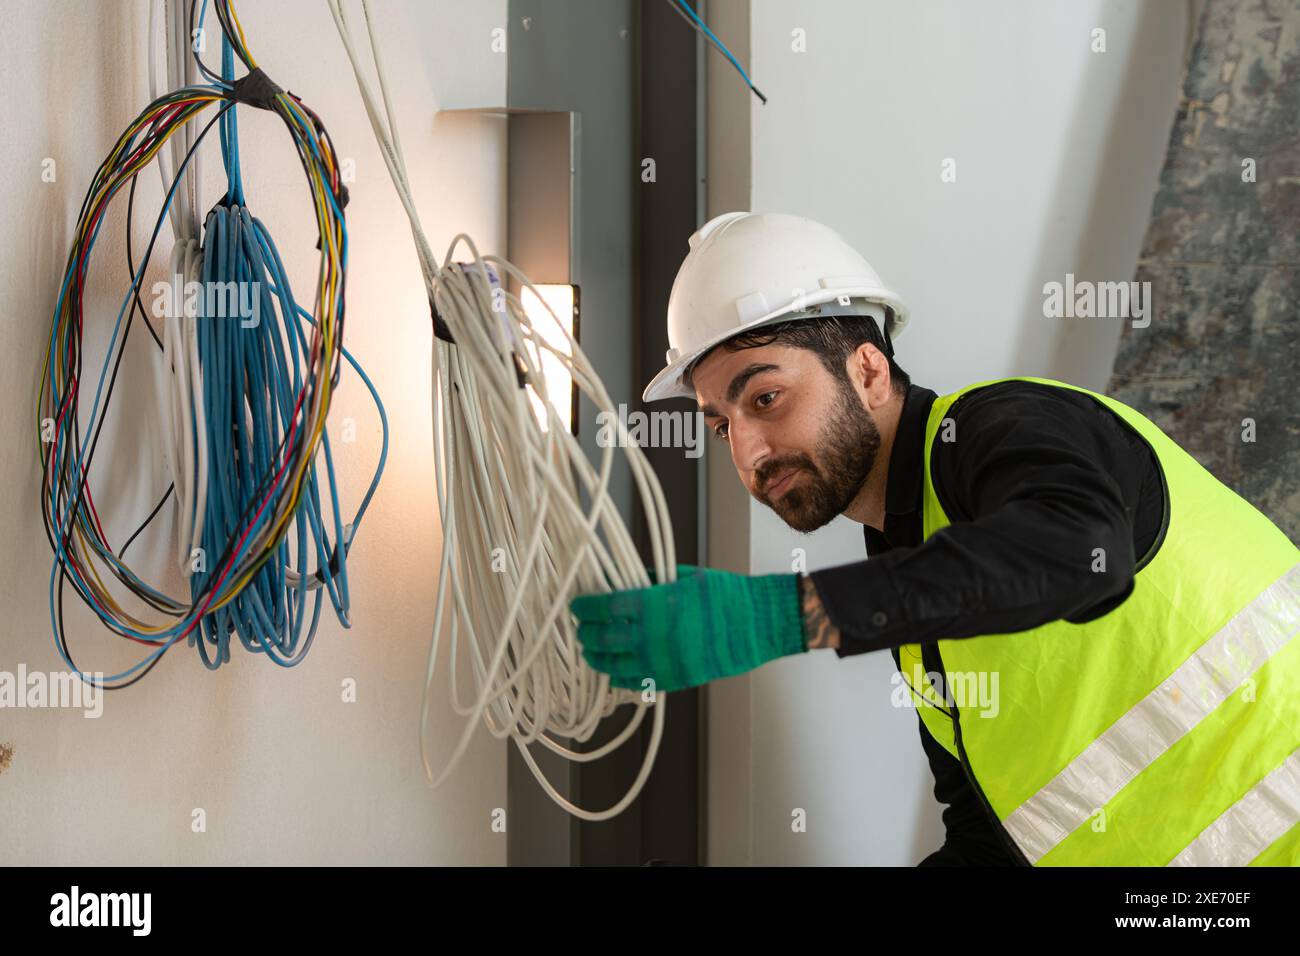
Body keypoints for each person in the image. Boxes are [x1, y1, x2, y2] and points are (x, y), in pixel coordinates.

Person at [569, 211, 1300, 867]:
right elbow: (988, 839)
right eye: (723, 425)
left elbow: (1082, 554)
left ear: (867, 370)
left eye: (767, 398)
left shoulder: (1002, 427)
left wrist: (783, 615)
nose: (750, 452)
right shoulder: (910, 565)